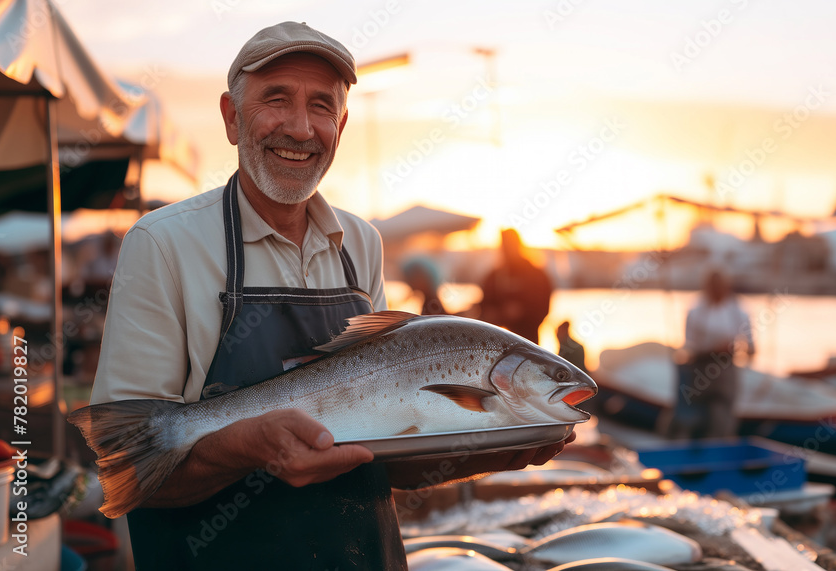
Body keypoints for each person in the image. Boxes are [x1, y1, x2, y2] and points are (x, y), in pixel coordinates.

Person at [87, 22, 570, 570]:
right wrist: (250, 444)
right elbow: (135, 473)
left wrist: (484, 450)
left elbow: (382, 452)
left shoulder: (361, 242)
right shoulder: (162, 244)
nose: (300, 128)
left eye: (322, 106)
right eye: (276, 99)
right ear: (230, 116)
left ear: (340, 125)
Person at [668, 269, 754, 439]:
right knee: (692, 419)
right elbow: (689, 345)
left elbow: (751, 347)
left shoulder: (738, 312)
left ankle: (717, 449)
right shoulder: (695, 311)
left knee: (722, 419)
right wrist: (715, 349)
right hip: (698, 370)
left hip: (725, 371)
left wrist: (739, 350)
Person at [479, 228, 553, 343]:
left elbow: (543, 307)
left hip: (529, 342)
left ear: (518, 245)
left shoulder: (536, 275)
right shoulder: (494, 276)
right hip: (497, 344)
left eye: (509, 245)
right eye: (504, 246)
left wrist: (522, 313)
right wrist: (494, 314)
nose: (506, 250)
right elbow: (484, 305)